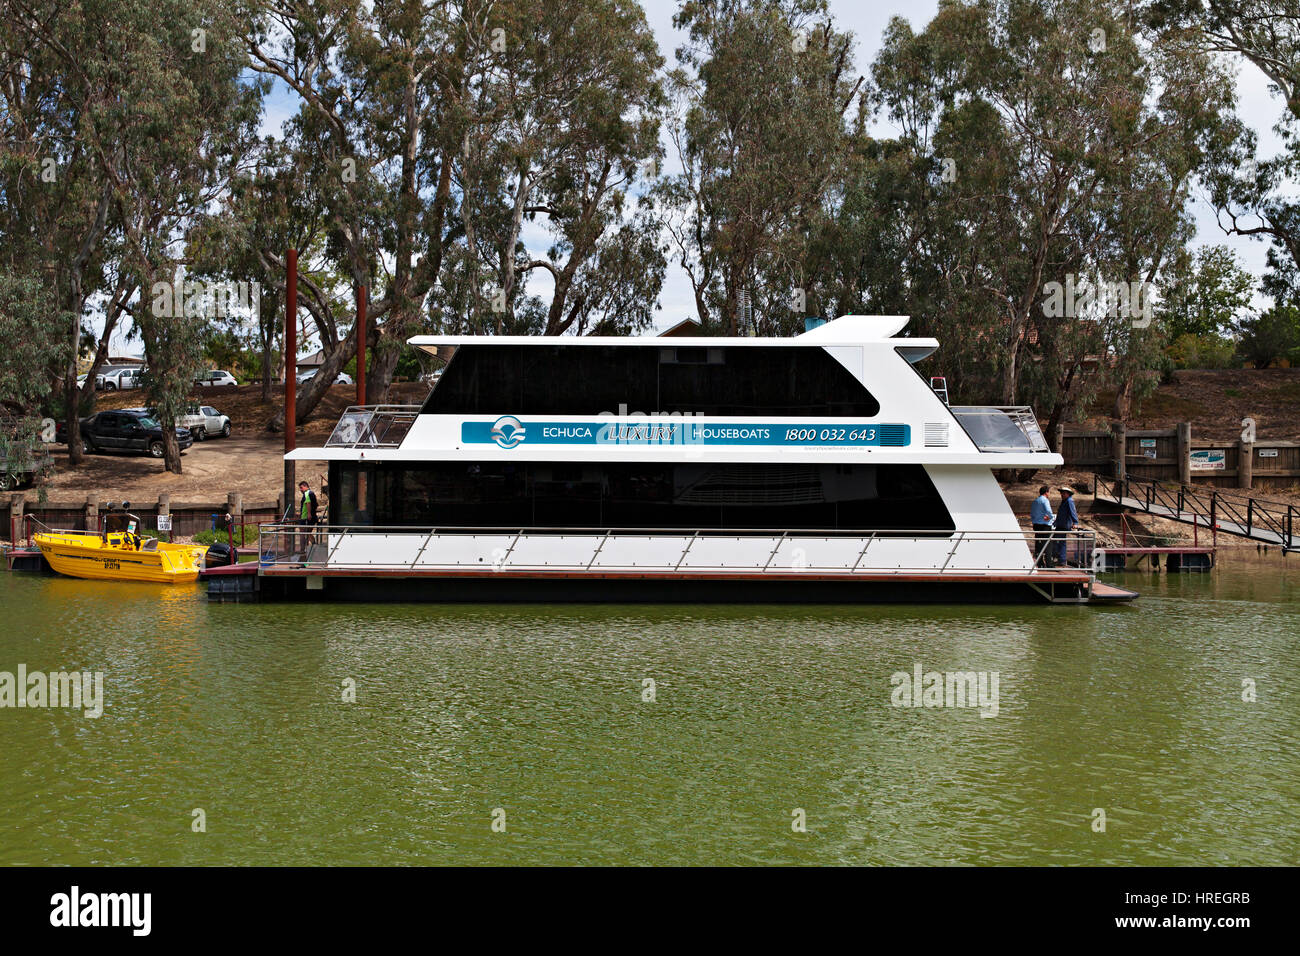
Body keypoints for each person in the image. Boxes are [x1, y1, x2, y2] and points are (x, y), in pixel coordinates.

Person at [1054, 486, 1079, 567]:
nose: (1061, 494)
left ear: (1068, 494)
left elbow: (1073, 512)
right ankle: (1059, 559)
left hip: (1064, 525)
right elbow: (1060, 514)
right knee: (1057, 541)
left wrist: (1075, 522)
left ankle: (1062, 560)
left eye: (1063, 493)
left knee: (1061, 542)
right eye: (1061, 493)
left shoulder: (1069, 501)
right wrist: (1055, 522)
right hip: (1060, 524)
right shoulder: (1064, 501)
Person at [1030, 485, 1055, 566]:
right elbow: (1049, 511)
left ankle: (1040, 563)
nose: (1049, 494)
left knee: (1039, 544)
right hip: (1045, 525)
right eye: (1049, 492)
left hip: (1036, 525)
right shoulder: (1045, 500)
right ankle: (1049, 564)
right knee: (1047, 544)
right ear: (1046, 492)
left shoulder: (1035, 501)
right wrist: (1050, 517)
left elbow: (1032, 513)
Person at [297, 480, 319, 554]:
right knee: (307, 532)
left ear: (306, 486)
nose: (300, 490)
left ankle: (305, 549)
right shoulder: (311, 493)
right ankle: (311, 546)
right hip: (307, 516)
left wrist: (309, 514)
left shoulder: (307, 493)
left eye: (301, 488)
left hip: (306, 517)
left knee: (305, 532)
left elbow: (308, 503)